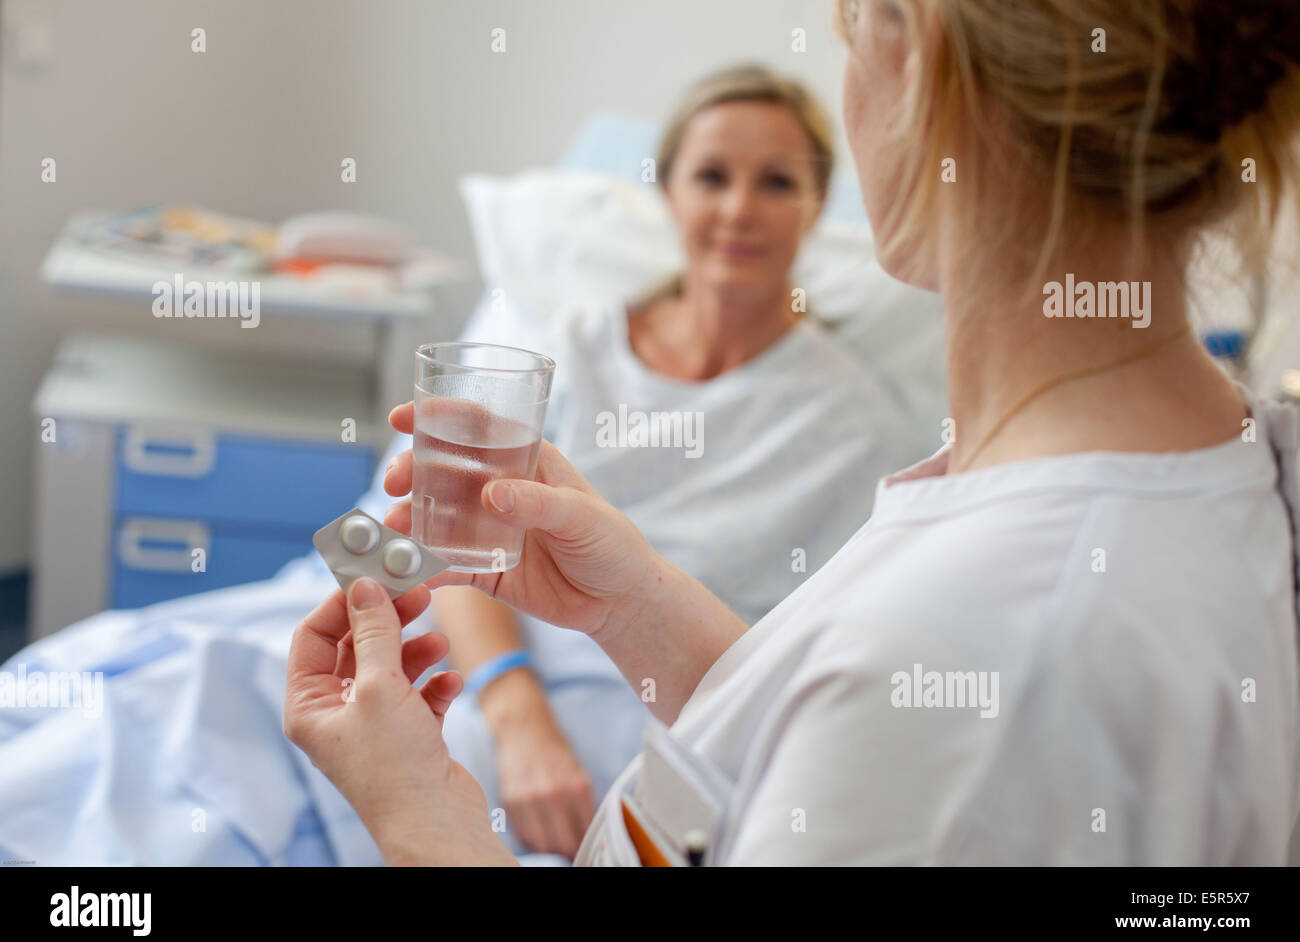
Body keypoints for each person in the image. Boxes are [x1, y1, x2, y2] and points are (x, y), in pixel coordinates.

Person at [286, 0, 1300, 865]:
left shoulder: (978, 645)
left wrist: (426, 827)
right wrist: (639, 612)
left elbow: (900, 711)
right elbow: (838, 735)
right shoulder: (1221, 460)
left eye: (854, 30)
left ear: (923, 58)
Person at [0, 65, 922, 865]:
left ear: (816, 203)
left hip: (619, 691)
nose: (737, 209)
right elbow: (449, 545)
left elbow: (797, 654)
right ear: (668, 193)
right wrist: (514, 707)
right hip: (475, 635)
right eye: (712, 175)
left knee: (244, 775)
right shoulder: (561, 352)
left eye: (777, 182)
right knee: (168, 690)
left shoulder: (848, 425)